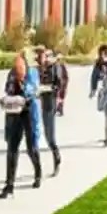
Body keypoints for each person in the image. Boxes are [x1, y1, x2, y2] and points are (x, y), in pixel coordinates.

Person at [0, 53, 42, 199]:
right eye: (15, 68)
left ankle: (38, 172)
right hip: (14, 113)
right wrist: (5, 100)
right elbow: (8, 90)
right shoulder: (11, 74)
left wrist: (23, 83)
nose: (17, 71)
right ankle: (9, 185)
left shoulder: (32, 73)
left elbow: (32, 90)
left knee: (31, 147)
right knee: (12, 148)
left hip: (28, 112)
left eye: (20, 68)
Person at [36, 47, 69, 177]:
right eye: (38, 56)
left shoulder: (54, 67)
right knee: (42, 133)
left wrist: (47, 89)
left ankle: (56, 156)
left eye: (41, 56)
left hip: (50, 102)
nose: (39, 59)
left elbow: (59, 84)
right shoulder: (37, 69)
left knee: (49, 134)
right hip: (40, 101)